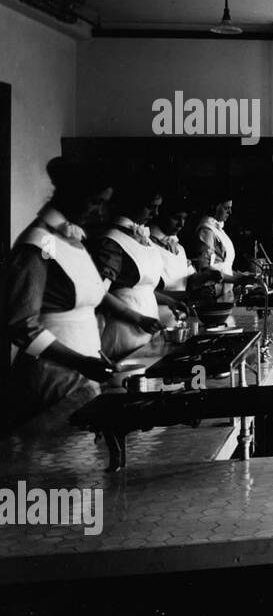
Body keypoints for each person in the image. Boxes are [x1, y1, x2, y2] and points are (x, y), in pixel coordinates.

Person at [2, 158, 117, 427]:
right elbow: (20, 325)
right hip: (52, 377)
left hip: (83, 372)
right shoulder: (40, 244)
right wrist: (80, 361)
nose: (100, 213)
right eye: (95, 202)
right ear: (72, 196)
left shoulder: (70, 240)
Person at [91, 184, 194, 361]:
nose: (155, 213)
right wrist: (138, 319)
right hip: (124, 331)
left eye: (158, 207)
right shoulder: (112, 242)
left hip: (148, 327)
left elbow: (144, 288)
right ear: (132, 204)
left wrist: (170, 301)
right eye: (150, 207)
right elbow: (98, 293)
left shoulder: (142, 239)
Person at [150, 198, 199, 325]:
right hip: (155, 319)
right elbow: (146, 291)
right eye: (176, 218)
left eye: (184, 219)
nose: (181, 224)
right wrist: (184, 296)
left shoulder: (179, 248)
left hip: (178, 319)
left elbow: (189, 278)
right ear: (161, 216)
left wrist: (207, 276)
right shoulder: (149, 247)